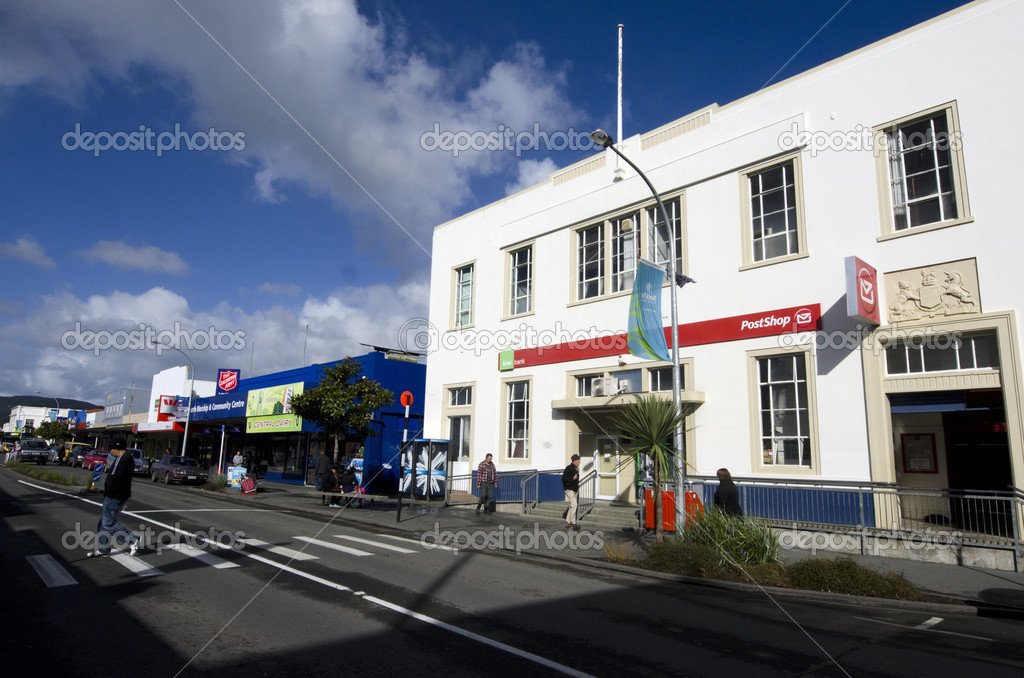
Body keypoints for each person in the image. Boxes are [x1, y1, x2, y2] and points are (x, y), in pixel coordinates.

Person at [88, 436, 140, 557]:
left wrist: (109, 491)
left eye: (112, 449)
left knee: (108, 523)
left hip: (114, 495)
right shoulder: (125, 458)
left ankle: (132, 539)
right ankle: (103, 549)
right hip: (117, 494)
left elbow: (115, 477)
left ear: (118, 448)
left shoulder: (123, 459)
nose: (111, 451)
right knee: (102, 524)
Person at [562, 454, 581, 531]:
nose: (579, 463)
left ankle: (568, 521)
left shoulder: (575, 468)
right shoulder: (569, 468)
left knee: (572, 506)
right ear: (574, 461)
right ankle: (573, 523)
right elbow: (564, 479)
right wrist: (572, 479)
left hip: (574, 490)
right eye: (578, 461)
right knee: (574, 505)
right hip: (569, 489)